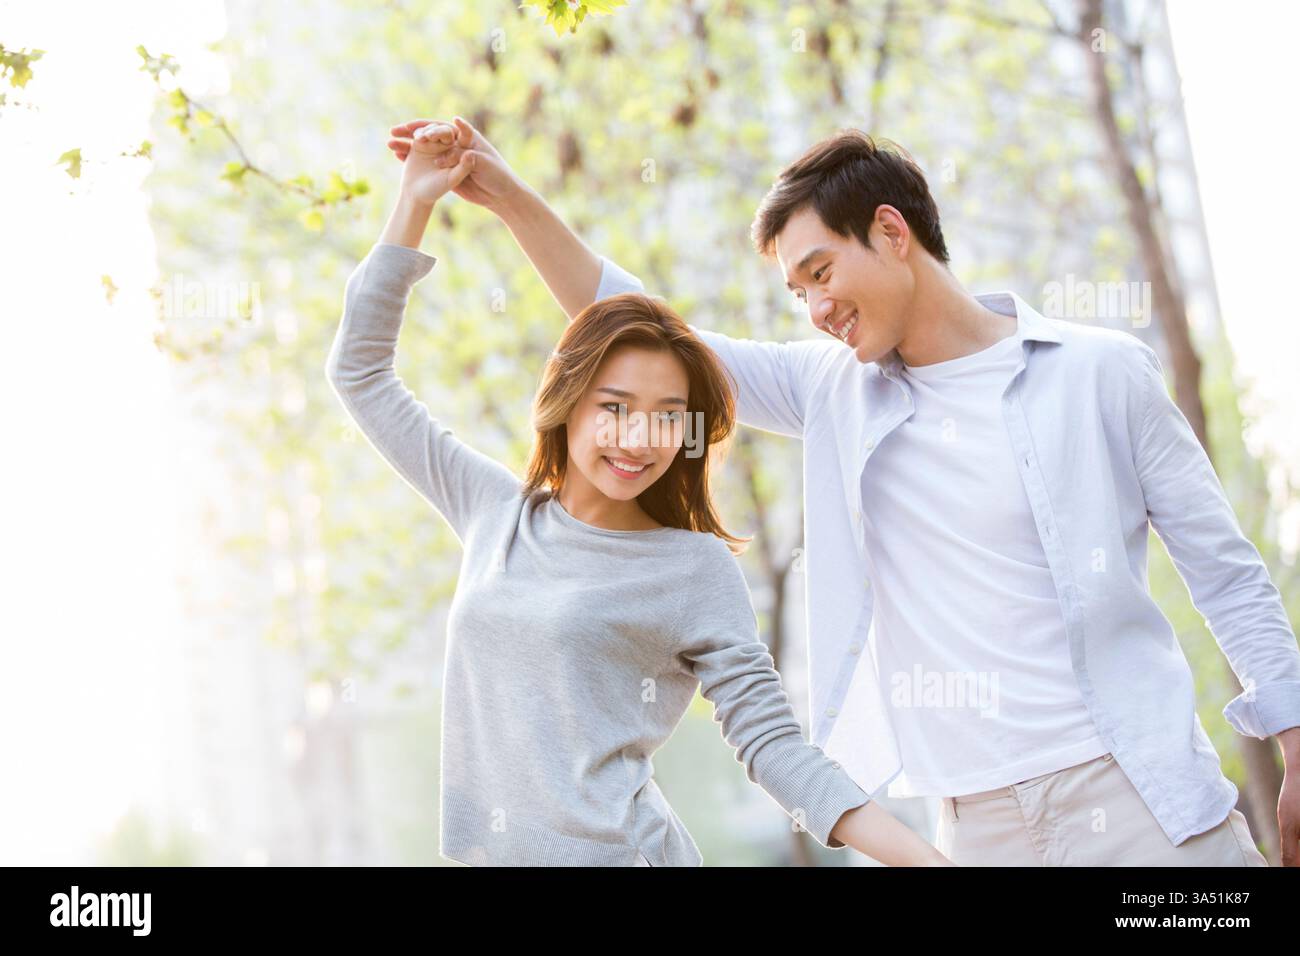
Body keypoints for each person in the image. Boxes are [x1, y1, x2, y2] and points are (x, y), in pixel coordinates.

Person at [406, 115, 1300, 866]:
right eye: (797, 294)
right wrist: (508, 197)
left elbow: (1222, 568)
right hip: (976, 827)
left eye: (820, 274)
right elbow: (643, 325)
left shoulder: (1101, 374)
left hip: (1138, 797)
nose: (815, 311)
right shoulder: (831, 389)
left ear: (891, 231)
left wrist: (1294, 736)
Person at [326, 119, 954, 867]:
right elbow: (360, 373)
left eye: (667, 417)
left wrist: (932, 865)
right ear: (570, 403)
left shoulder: (692, 568)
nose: (638, 438)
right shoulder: (495, 512)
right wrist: (414, 205)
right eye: (616, 407)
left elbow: (776, 750)